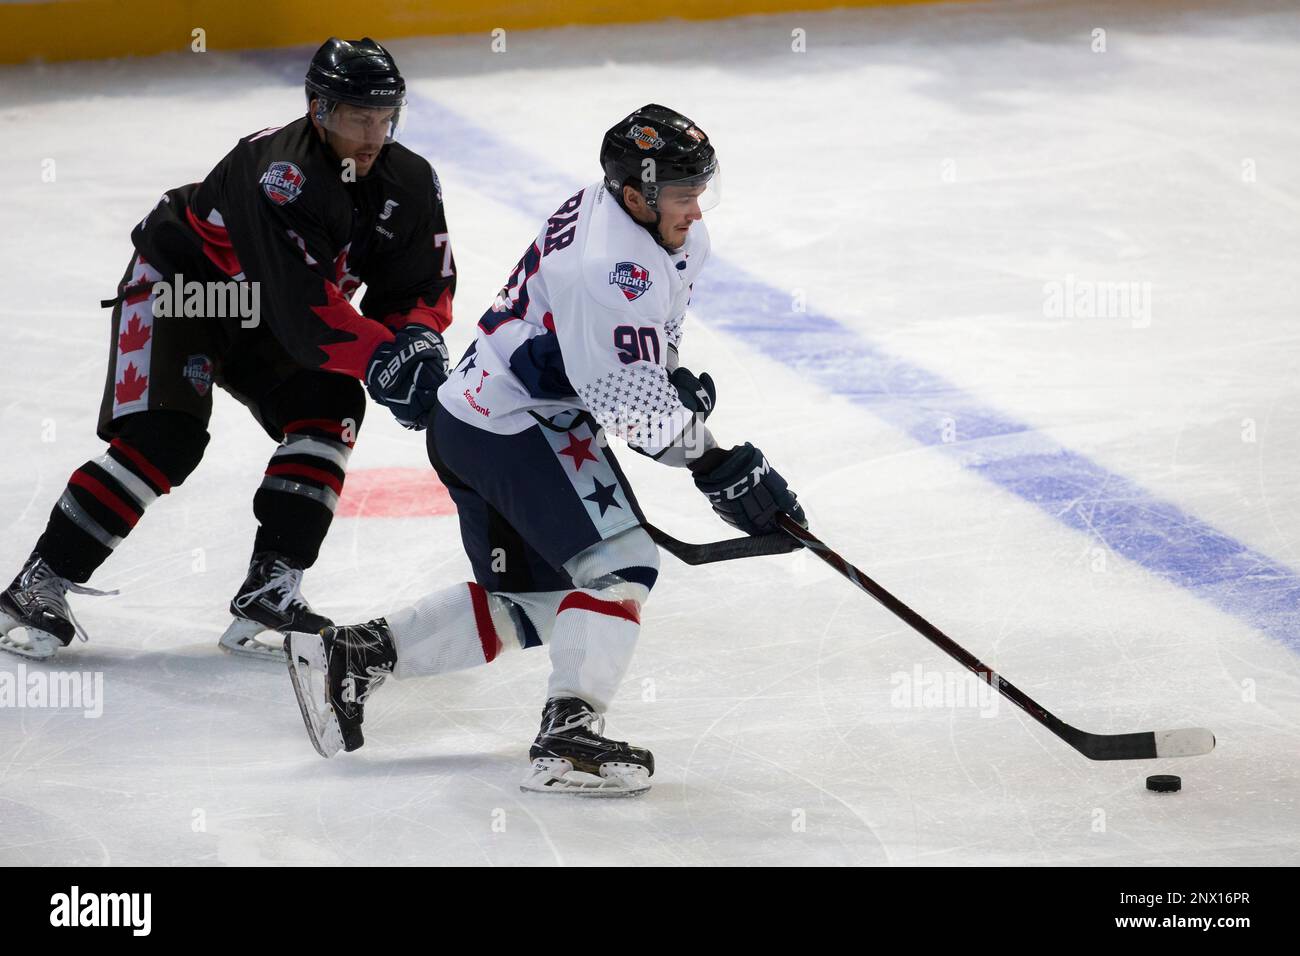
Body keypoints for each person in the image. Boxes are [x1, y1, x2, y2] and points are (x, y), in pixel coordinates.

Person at [286, 104, 806, 796]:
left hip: (476, 417)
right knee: (622, 567)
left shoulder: (633, 224)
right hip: (517, 424)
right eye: (684, 194)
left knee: (536, 595)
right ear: (635, 195)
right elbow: (628, 404)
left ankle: (355, 656)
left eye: (699, 191)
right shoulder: (610, 266)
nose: (697, 210)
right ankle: (569, 739)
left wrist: (670, 379)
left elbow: (643, 352)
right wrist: (719, 466)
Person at [0, 37, 456, 661]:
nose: (375, 134)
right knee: (164, 438)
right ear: (319, 110)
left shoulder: (408, 180)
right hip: (185, 294)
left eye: (386, 116)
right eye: (359, 117)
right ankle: (37, 583)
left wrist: (416, 338)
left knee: (331, 410)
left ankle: (270, 589)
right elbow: (309, 321)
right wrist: (385, 360)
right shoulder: (278, 174)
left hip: (270, 308)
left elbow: (419, 286)